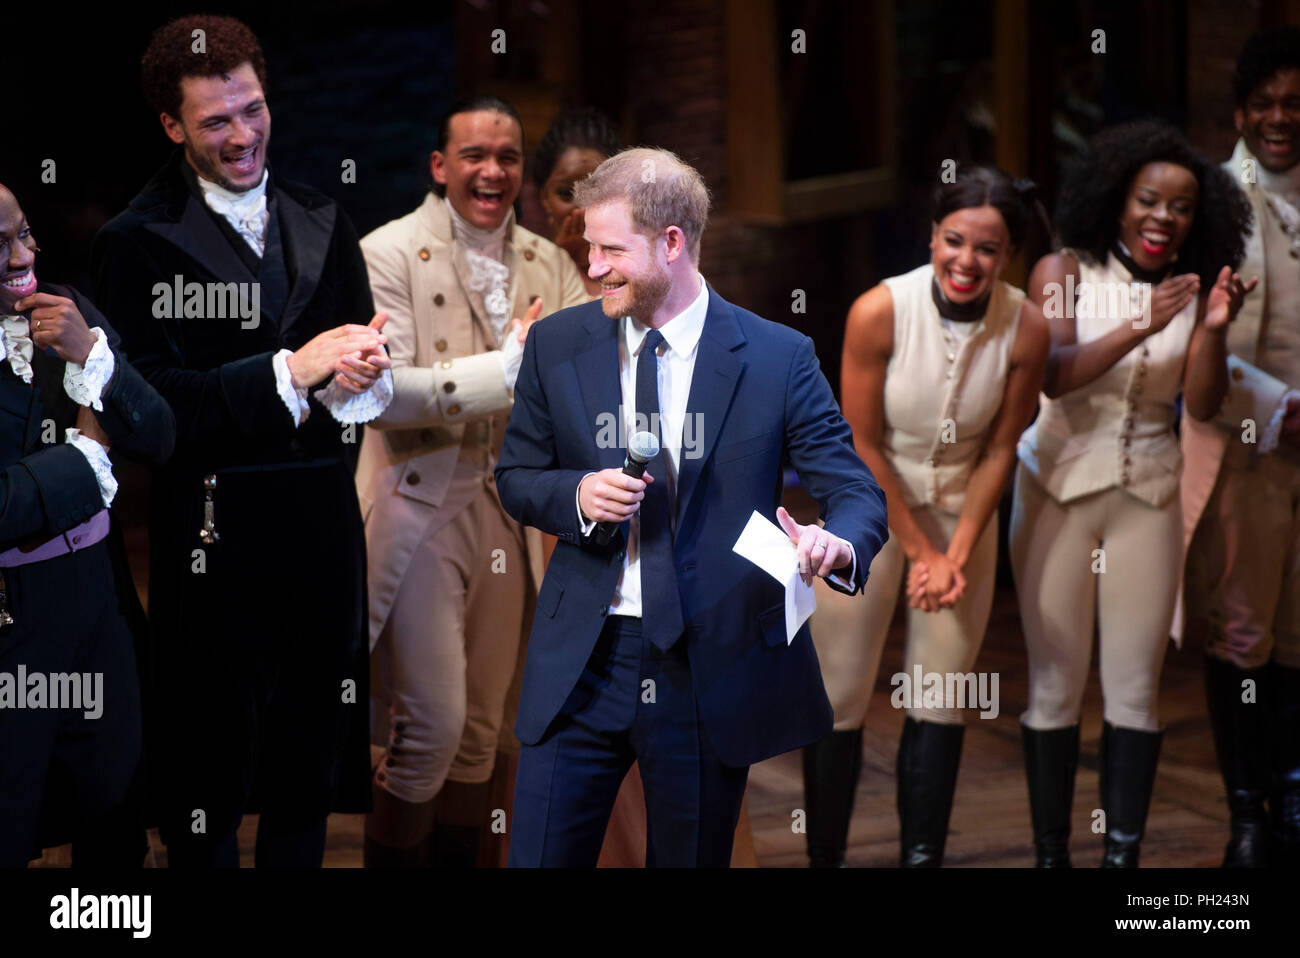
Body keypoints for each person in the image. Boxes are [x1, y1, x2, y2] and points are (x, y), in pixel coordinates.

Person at [495, 147, 888, 867]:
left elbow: (856, 491)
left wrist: (840, 544)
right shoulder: (557, 344)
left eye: (612, 249)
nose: (593, 267)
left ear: (672, 243)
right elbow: (516, 475)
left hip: (706, 669)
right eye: (589, 247)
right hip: (583, 661)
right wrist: (575, 494)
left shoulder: (777, 356)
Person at [90, 14, 393, 867]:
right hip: (211, 544)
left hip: (325, 531)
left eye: (252, 109)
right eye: (216, 120)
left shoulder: (323, 215)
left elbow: (348, 375)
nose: (243, 134)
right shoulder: (135, 241)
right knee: (209, 788)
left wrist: (362, 375)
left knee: (308, 773)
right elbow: (149, 412)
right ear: (171, 125)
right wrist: (291, 374)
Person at [355, 94, 587, 867]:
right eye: (475, 157)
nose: (493, 172)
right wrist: (506, 372)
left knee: (486, 734)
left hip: (514, 514)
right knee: (431, 727)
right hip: (423, 500)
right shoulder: (387, 251)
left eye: (508, 158)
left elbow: (593, 367)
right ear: (440, 166)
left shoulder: (547, 261)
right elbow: (380, 394)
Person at [1013, 121, 1253, 867]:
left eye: (1180, 207)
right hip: (1054, 483)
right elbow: (1050, 371)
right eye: (1149, 199)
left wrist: (1211, 329)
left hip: (1148, 492)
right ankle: (1053, 856)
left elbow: (1206, 406)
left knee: (1134, 691)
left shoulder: (1198, 286)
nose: (1163, 217)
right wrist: (1140, 324)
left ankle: (1123, 862)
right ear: (1119, 200)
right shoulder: (1062, 269)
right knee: (1053, 686)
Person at [807, 165, 1051, 868]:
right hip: (867, 513)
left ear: (1008, 258)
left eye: (987, 249)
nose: (966, 261)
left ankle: (922, 859)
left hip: (964, 517)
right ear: (933, 236)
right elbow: (861, 443)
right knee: (840, 692)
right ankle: (825, 857)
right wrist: (921, 552)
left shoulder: (1026, 327)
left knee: (940, 695)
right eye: (954, 241)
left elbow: (1002, 446)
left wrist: (960, 551)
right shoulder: (878, 311)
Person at [0, 182, 176, 867]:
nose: (23, 254)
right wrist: (88, 460)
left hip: (97, 601)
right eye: (2, 244)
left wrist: (94, 359)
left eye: (25, 233)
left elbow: (159, 436)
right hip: (12, 614)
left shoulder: (70, 313)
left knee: (112, 805)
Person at [1182, 27, 1300, 868]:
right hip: (1251, 444)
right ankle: (1247, 810)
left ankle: (1293, 793)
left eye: (1295, 103)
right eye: (1264, 104)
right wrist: (1279, 406)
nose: (1280, 118)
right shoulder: (1218, 200)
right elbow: (1200, 333)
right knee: (1244, 633)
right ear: (1240, 113)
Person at [532, 107, 622, 299]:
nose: (582, 208)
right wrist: (558, 260)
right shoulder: (520, 270)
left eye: (596, 192)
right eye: (566, 193)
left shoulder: (644, 265)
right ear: (544, 199)